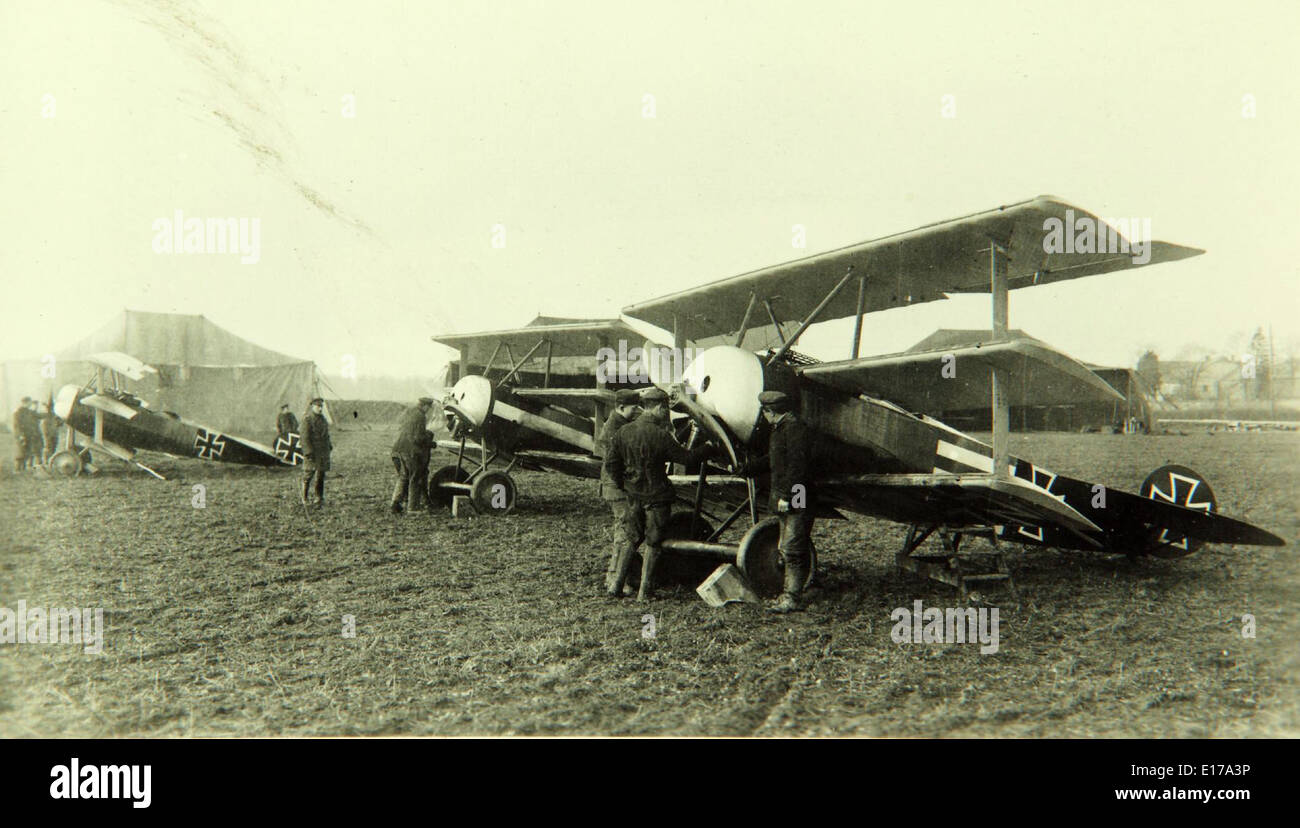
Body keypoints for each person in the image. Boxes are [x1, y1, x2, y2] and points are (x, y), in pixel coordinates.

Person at [605, 387, 715, 601]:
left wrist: (625, 485)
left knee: (631, 539)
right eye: (665, 408)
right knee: (654, 543)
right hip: (657, 497)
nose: (667, 413)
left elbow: (611, 464)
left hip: (634, 495)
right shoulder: (660, 435)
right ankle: (644, 593)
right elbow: (687, 458)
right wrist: (709, 447)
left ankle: (615, 586)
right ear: (658, 408)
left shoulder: (624, 431)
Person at [740, 390, 815, 613]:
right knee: (786, 545)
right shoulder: (783, 428)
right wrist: (747, 469)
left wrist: (789, 497)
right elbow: (776, 459)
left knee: (792, 547)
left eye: (764, 411)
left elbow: (797, 467)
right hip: (792, 494)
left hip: (798, 494)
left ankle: (791, 598)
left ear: (769, 411)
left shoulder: (794, 429)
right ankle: (791, 592)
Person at [595, 389, 641, 592]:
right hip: (617, 488)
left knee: (628, 529)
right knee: (624, 532)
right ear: (621, 407)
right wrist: (627, 483)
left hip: (615, 486)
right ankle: (614, 580)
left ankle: (630, 576)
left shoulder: (618, 423)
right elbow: (614, 464)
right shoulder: (615, 428)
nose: (637, 411)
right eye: (634, 408)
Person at [390, 397, 436, 514]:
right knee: (415, 477)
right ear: (425, 406)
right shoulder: (420, 416)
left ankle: (395, 503)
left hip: (399, 448)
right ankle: (413, 508)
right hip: (410, 451)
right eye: (429, 408)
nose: (429, 410)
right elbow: (417, 437)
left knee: (403, 476)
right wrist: (430, 442)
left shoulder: (410, 412)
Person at [300, 397, 332, 507]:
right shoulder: (307, 419)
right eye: (318, 406)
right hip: (312, 452)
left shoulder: (323, 419)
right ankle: (304, 498)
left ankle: (319, 497)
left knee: (321, 474)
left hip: (323, 451)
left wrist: (329, 445)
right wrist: (308, 452)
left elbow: (326, 435)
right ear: (313, 406)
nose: (320, 408)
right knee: (308, 474)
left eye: (321, 406)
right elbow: (304, 437)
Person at [12, 397, 34, 472]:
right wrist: (21, 435)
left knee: (26, 452)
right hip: (21, 436)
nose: (31, 404)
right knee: (20, 452)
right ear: (26, 402)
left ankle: (23, 469)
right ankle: (17, 469)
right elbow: (17, 425)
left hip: (28, 435)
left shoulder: (29, 412)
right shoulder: (18, 413)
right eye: (30, 402)